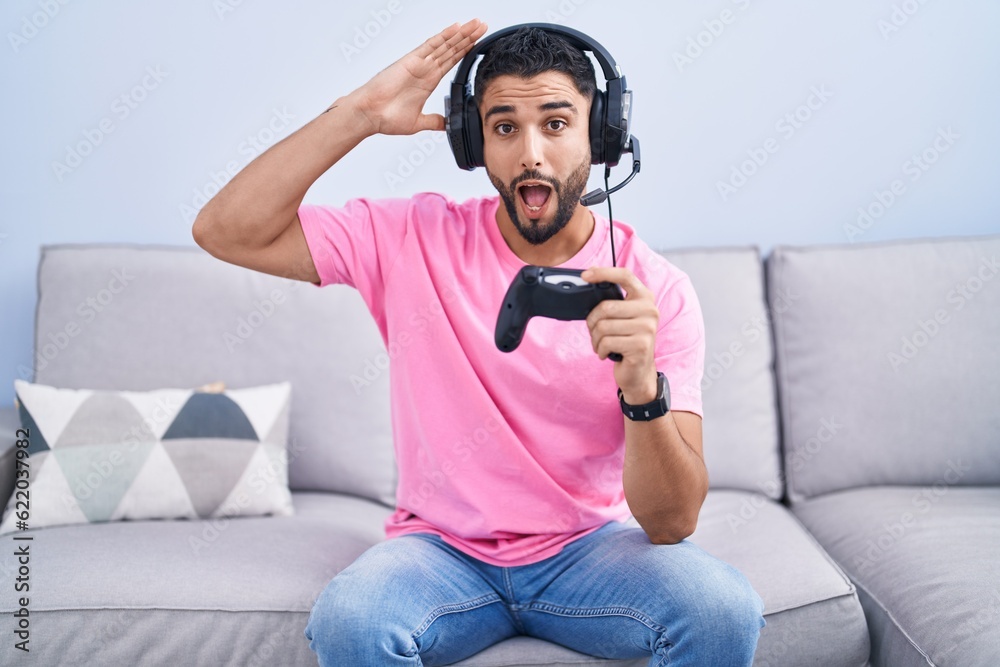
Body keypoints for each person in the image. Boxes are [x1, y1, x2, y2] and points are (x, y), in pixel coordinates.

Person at [192, 18, 765, 667]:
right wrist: (360, 115)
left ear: (601, 134)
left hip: (589, 551)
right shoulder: (409, 238)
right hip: (440, 553)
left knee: (721, 610)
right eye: (503, 127)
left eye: (555, 123)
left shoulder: (654, 290)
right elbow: (225, 230)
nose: (530, 154)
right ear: (472, 140)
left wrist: (641, 387)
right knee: (353, 620)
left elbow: (671, 523)